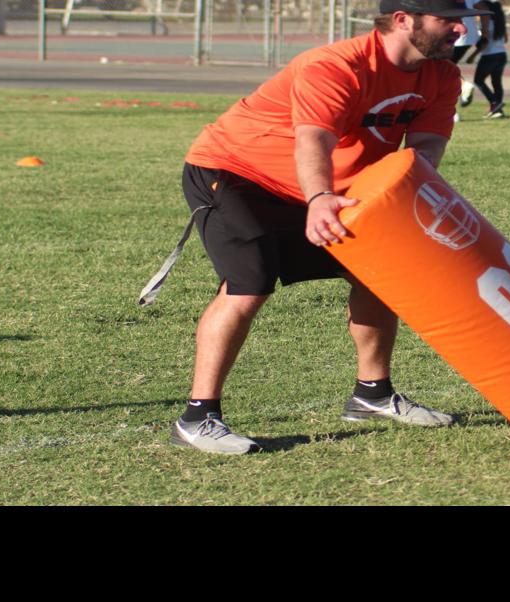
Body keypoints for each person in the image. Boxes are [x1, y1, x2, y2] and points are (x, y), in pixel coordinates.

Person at [169, 0, 489, 455]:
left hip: (326, 187)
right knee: (249, 283)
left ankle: (372, 394)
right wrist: (319, 200)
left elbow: (422, 153)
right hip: (239, 171)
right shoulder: (336, 65)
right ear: (403, 20)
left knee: (379, 275)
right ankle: (198, 417)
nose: (461, 28)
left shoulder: (441, 76)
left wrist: (413, 210)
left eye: (466, 19)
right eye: (447, 19)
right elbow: (314, 138)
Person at [470, 1, 509, 118]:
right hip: (502, 54)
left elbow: (484, 42)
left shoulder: (487, 23)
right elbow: (506, 39)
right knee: (496, 82)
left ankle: (494, 103)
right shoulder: (500, 23)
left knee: (478, 80)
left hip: (489, 56)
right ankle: (498, 111)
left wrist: (473, 55)